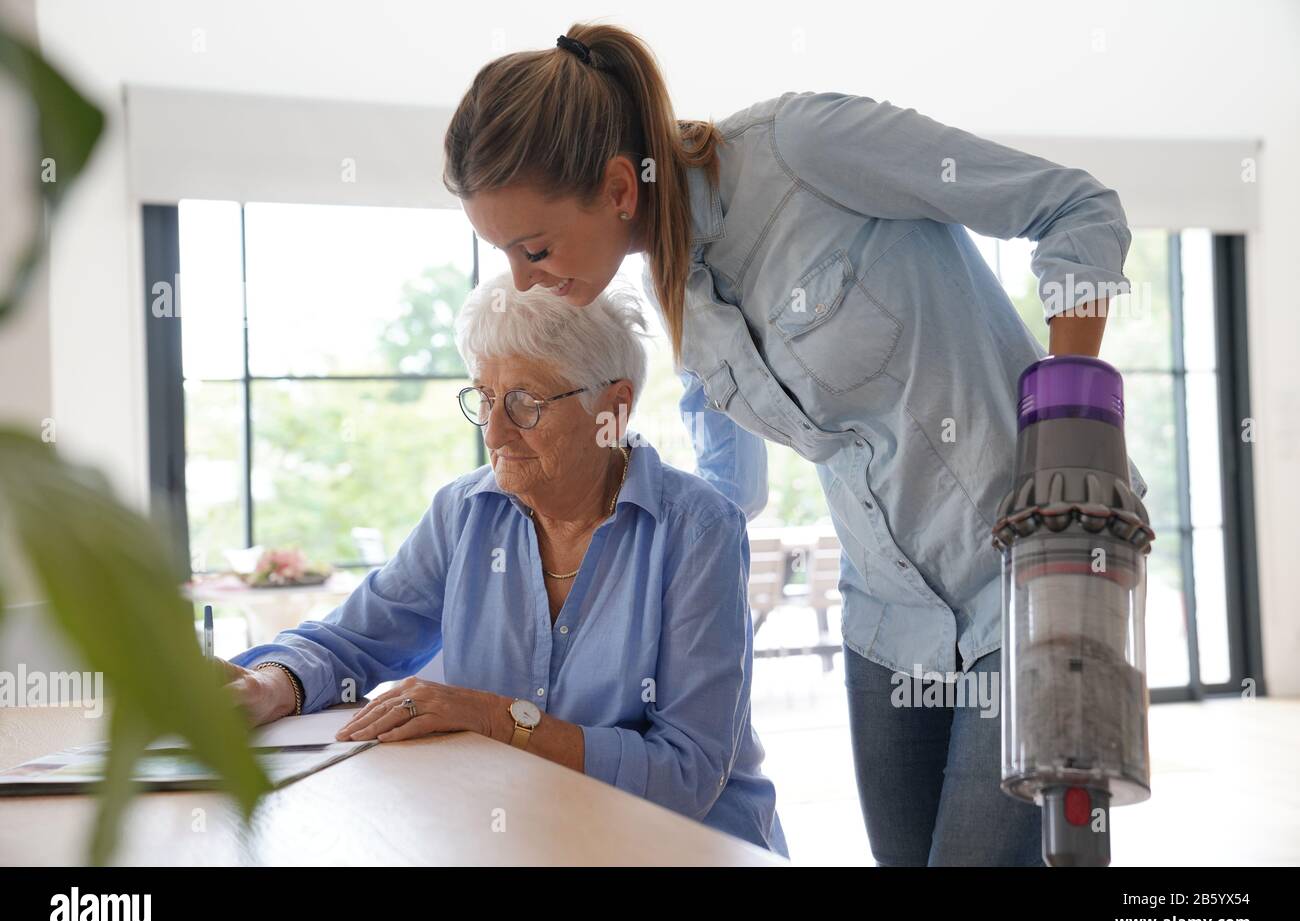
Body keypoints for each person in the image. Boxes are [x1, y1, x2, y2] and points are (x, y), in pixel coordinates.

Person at [441, 22, 1148, 865]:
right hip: (889, 621)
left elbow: (1077, 209)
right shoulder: (681, 298)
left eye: (533, 247)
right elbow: (731, 489)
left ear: (620, 186)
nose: (524, 278)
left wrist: (1064, 430)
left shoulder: (802, 150)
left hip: (1032, 579)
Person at [223, 272, 788, 856]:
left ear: (613, 410)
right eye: (485, 399)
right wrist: (271, 685)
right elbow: (350, 642)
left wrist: (499, 720)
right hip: (523, 830)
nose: (494, 432)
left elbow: (686, 774)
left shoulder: (697, 529)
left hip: (685, 847)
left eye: (525, 403)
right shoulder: (465, 512)